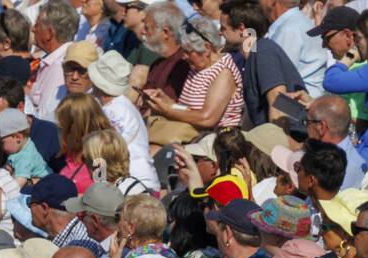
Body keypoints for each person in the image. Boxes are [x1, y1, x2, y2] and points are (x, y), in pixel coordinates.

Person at [144, 16, 244, 144]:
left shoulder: (224, 72)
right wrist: (166, 102)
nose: (183, 56)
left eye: (188, 51)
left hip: (217, 140)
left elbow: (207, 119)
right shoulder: (196, 68)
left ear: (207, 48)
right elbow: (189, 110)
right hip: (191, 134)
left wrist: (167, 110)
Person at [220, 0, 304, 129]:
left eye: (223, 28)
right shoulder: (252, 58)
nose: (220, 33)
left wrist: (276, 146)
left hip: (287, 138)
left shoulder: (263, 51)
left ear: (242, 29)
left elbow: (278, 103)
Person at [89, 51, 160, 191]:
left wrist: (99, 185)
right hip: (140, 179)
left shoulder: (112, 112)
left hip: (132, 183)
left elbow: (104, 153)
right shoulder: (122, 105)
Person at [28, 0, 80, 122]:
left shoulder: (60, 67)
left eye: (37, 24)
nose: (33, 29)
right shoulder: (53, 59)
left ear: (49, 34)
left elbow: (46, 119)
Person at [270, 0, 329, 97]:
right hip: (307, 100)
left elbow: (278, 79)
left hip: (300, 104)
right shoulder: (296, 23)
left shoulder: (289, 29)